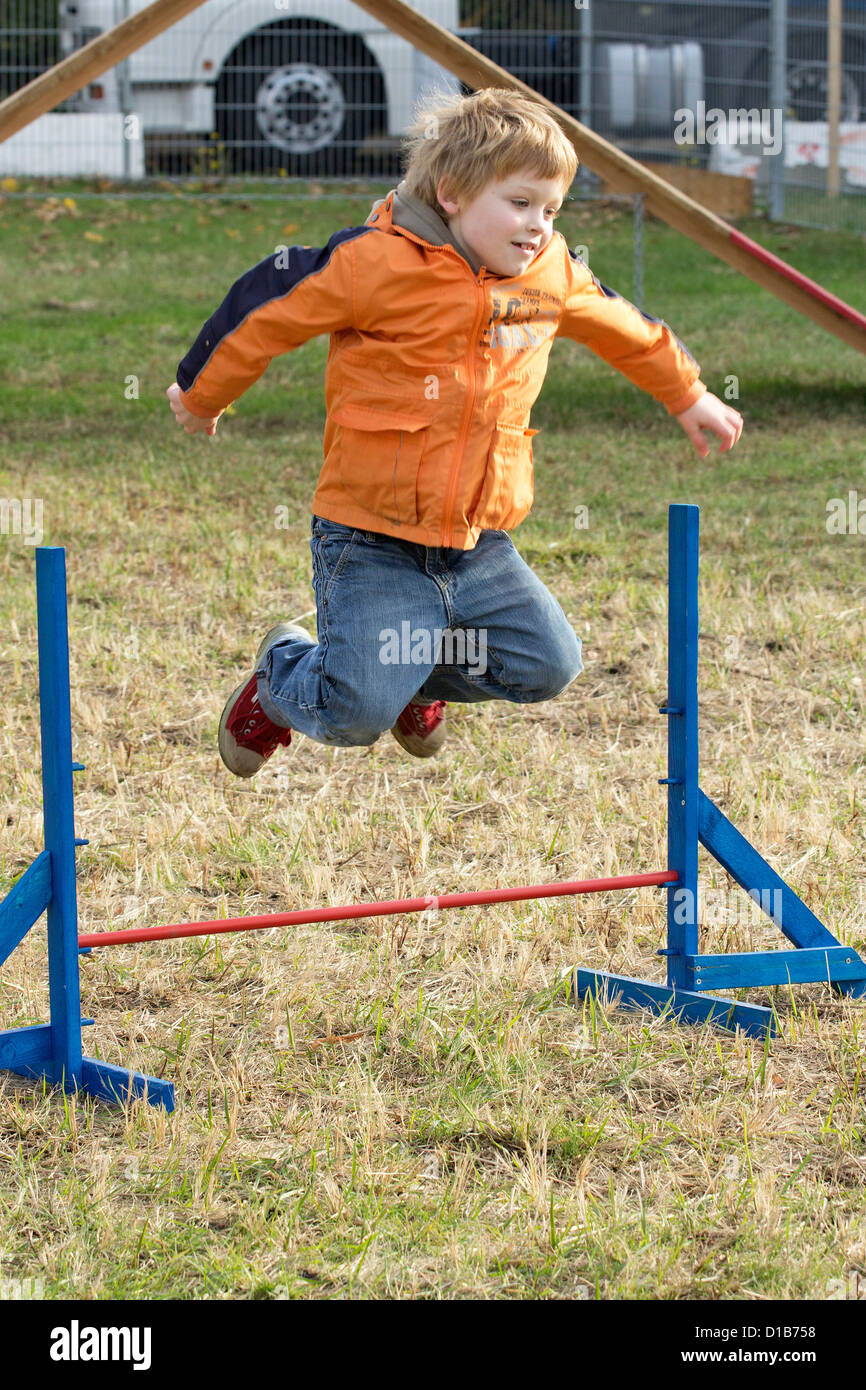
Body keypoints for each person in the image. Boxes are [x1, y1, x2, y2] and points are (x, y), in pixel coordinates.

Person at [166, 88, 742, 777]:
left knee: (549, 665)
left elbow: (626, 329)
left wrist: (688, 393)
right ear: (452, 194)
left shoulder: (549, 273)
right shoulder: (373, 263)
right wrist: (201, 394)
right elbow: (267, 309)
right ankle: (280, 676)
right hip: (370, 537)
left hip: (476, 543)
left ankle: (405, 674)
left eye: (552, 209)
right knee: (352, 714)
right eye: (520, 203)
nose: (538, 225)